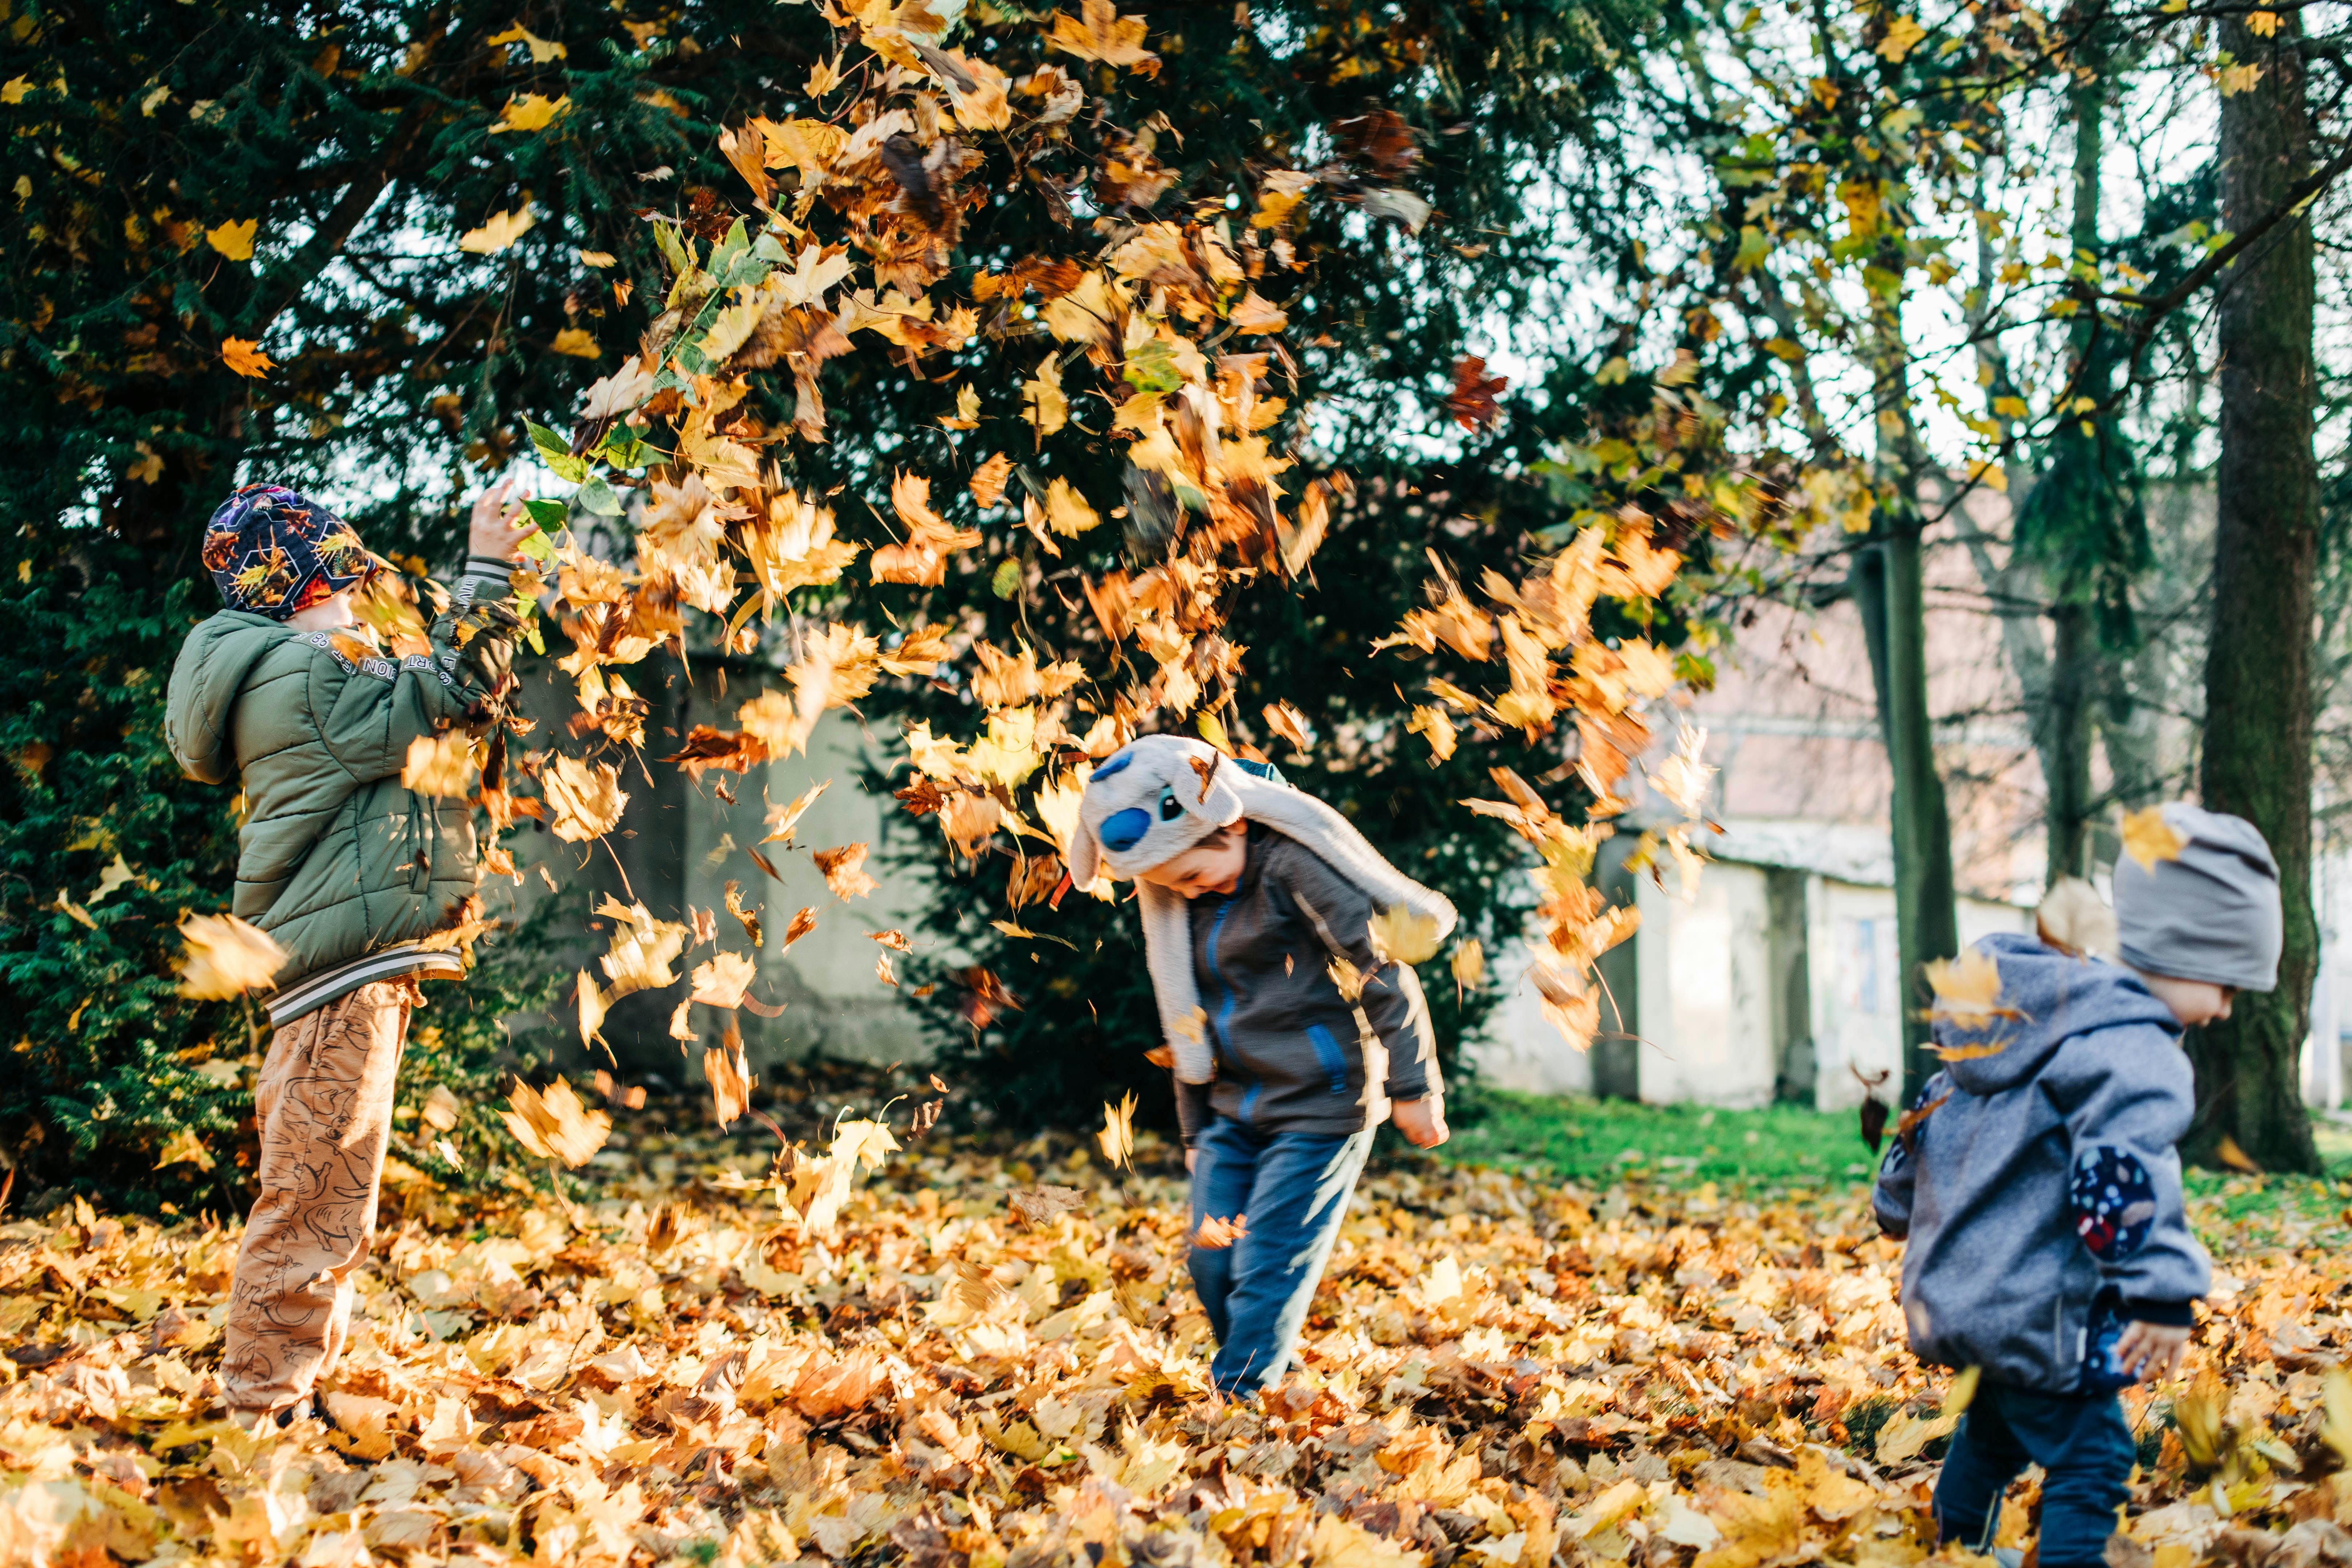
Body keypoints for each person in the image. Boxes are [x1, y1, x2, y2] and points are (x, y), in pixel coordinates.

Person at [166, 479, 534, 1429]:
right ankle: (259, 1414)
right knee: (314, 1207)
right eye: (340, 576)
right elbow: (451, 698)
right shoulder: (302, 672)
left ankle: (291, 1393)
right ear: (298, 586)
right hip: (338, 982)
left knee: (331, 1195)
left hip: (352, 974)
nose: (358, 595)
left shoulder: (301, 661)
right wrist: (489, 565)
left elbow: (456, 695)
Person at [1874, 803, 2282, 1568]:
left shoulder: (2033, 1010)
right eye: (2225, 985)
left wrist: (1895, 1202)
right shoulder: (2133, 1049)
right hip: (2040, 1307)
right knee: (2092, 1461)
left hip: (1966, 1290)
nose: (2226, 1009)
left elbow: (1932, 1111)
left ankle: (1952, 1550)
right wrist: (2158, 1292)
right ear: (2179, 952)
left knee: (1995, 1430)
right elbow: (2119, 1174)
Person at [1069, 734, 1455, 1395]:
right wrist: (1194, 1131)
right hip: (1234, 1110)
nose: (1188, 893)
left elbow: (1382, 970)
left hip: (1322, 1104)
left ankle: (1241, 1394)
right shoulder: (1180, 903)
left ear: (1233, 820)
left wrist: (1413, 1085)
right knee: (1211, 1260)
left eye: (1193, 875)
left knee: (1269, 1257)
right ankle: (1269, 1368)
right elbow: (1185, 1016)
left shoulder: (1291, 871)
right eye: (1172, 887)